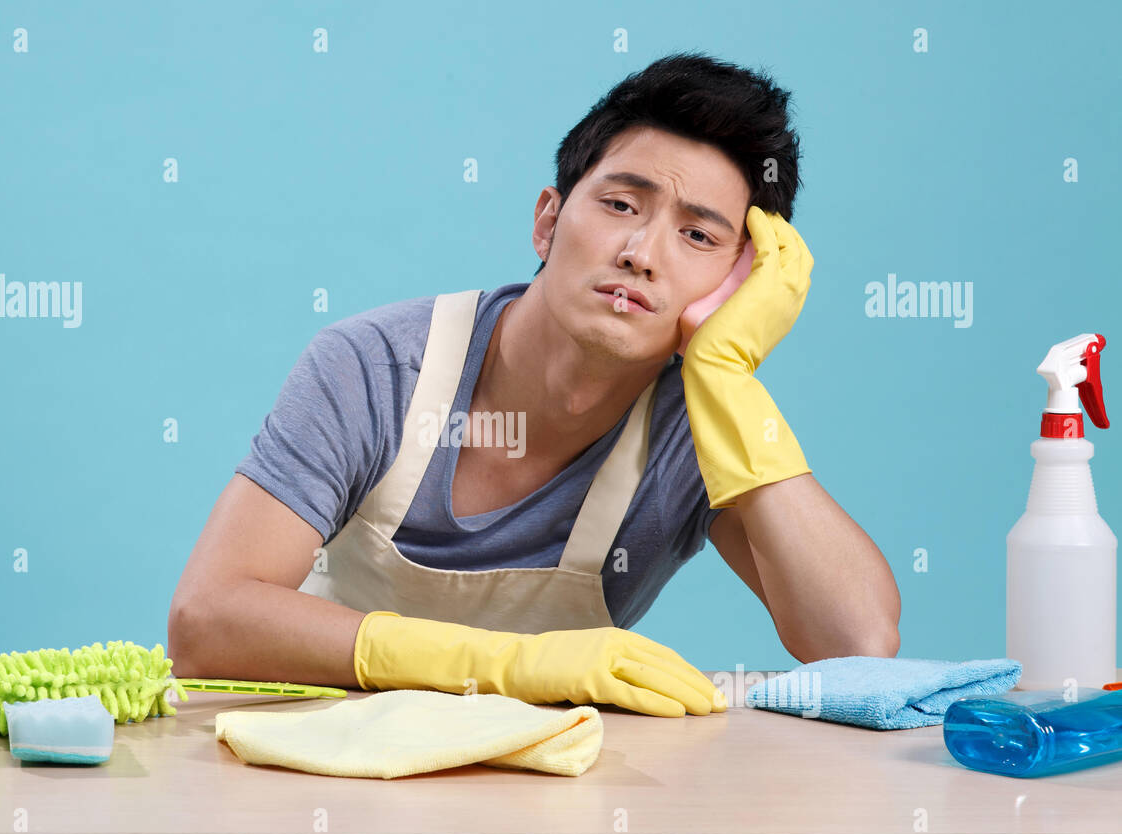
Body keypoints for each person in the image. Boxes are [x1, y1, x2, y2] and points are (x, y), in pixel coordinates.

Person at [167, 51, 901, 718]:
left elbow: (858, 642)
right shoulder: (373, 368)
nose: (642, 253)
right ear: (548, 221)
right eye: (620, 205)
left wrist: (727, 374)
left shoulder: (696, 430)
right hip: (320, 771)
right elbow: (207, 621)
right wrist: (506, 664)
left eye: (699, 236)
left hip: (549, 792)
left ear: (739, 284)